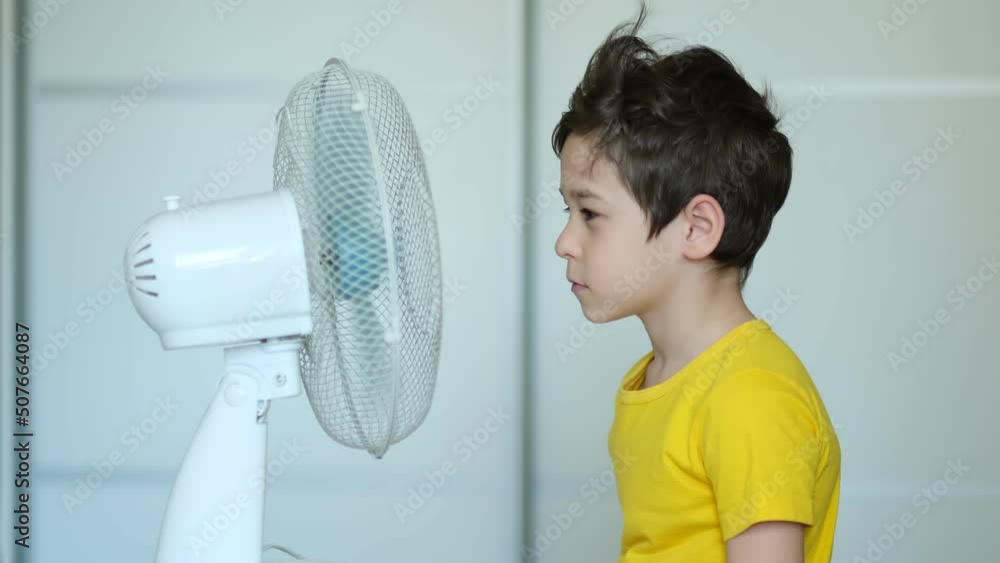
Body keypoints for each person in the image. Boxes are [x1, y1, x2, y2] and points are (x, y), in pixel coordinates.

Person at [552, 4, 841, 562]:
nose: (564, 242)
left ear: (697, 227)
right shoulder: (658, 377)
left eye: (588, 213)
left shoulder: (750, 399)